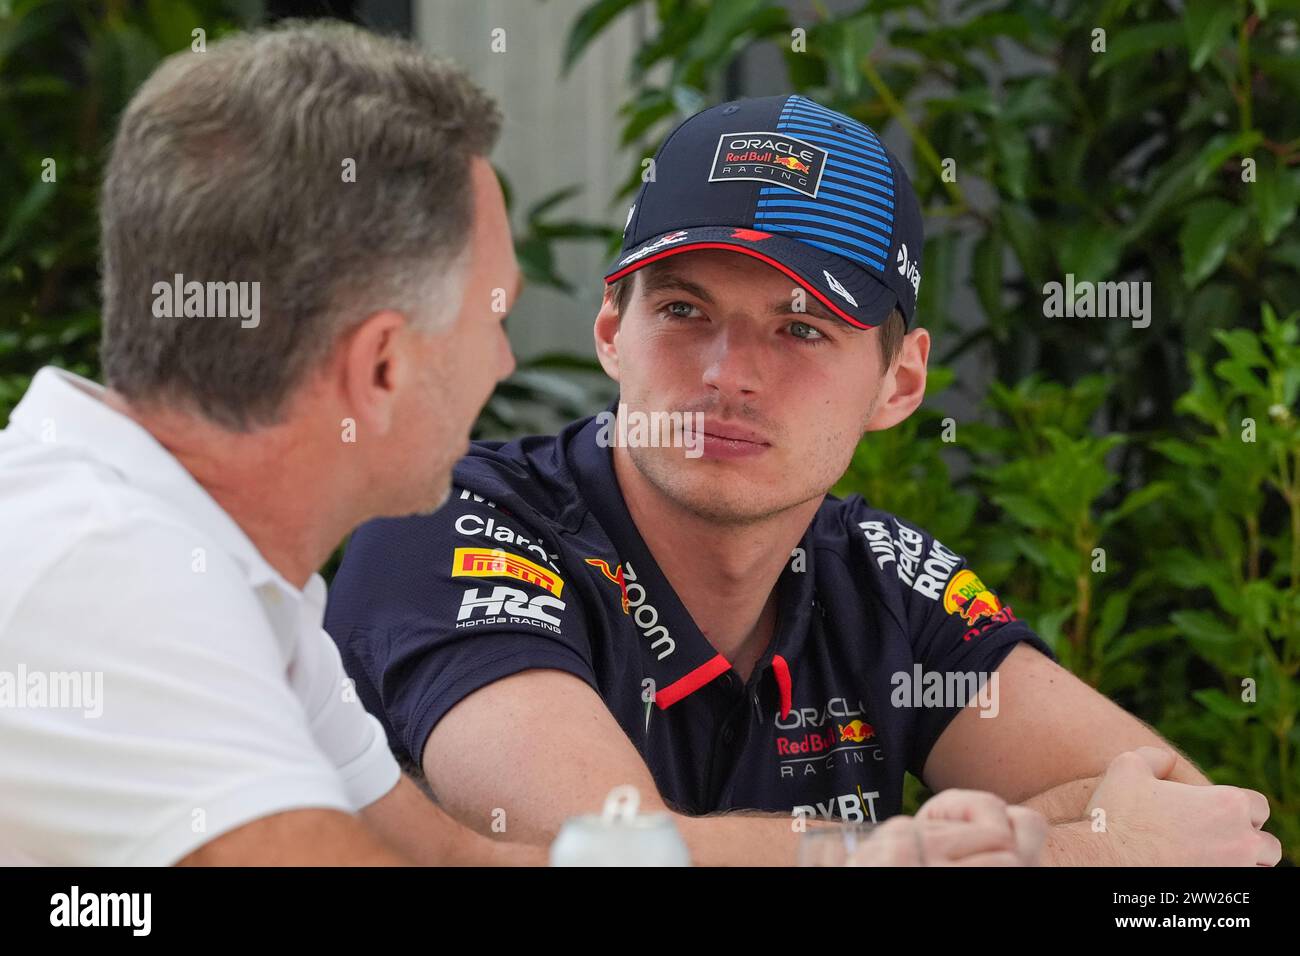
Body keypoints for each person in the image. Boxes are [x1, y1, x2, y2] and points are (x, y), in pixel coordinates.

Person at [325, 94, 1281, 867]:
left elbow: (1190, 821)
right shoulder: (451, 523)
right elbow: (599, 856)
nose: (728, 373)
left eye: (801, 327)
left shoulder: (886, 576)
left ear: (899, 382)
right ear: (613, 333)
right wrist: (1079, 854)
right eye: (685, 310)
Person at [0, 21, 532, 866]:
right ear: (383, 366)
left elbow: (455, 859)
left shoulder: (211, 557)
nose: (504, 361)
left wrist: (816, 848)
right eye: (495, 316)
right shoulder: (107, 573)